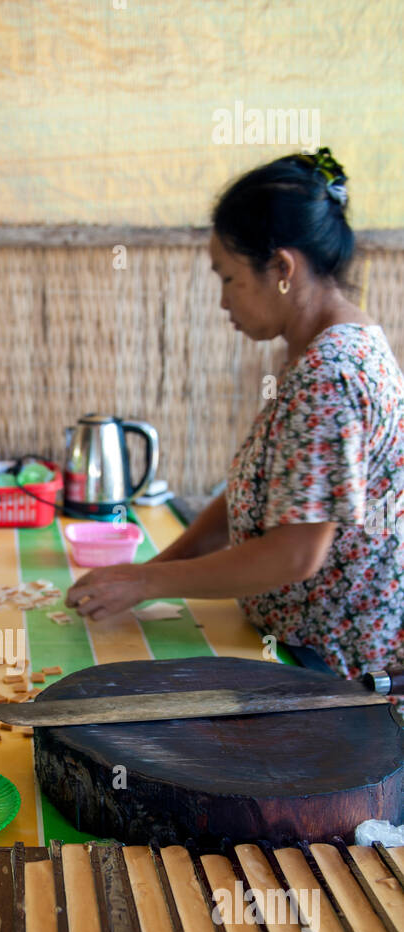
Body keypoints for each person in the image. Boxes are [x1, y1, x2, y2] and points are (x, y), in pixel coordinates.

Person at [66, 148, 404, 682]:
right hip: (291, 645)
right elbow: (266, 492)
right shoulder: (328, 349)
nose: (223, 301)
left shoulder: (329, 374)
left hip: (324, 673)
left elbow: (294, 555)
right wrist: (146, 572)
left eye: (228, 278)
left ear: (282, 268)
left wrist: (149, 584)